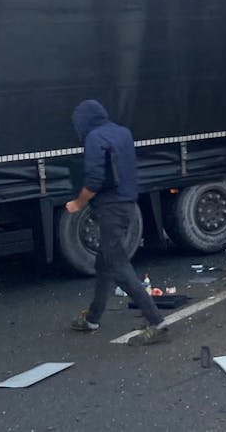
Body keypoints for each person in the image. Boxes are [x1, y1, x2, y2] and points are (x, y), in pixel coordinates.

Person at [66, 99, 169, 346]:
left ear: (83, 120)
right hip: (128, 204)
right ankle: (92, 318)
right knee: (104, 263)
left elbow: (94, 178)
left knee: (118, 265)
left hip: (110, 207)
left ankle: (157, 322)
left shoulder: (94, 138)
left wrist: (78, 204)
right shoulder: (123, 132)